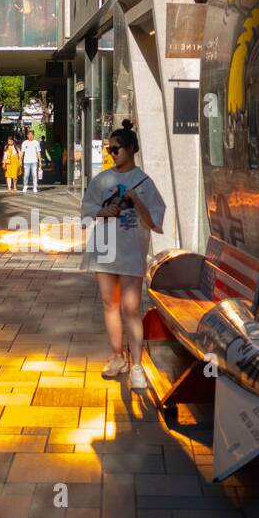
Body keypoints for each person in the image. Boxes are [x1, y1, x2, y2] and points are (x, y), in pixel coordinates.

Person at [79, 127, 166, 391]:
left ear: (130, 150)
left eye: (115, 149)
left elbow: (155, 223)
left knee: (131, 308)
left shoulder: (144, 182)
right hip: (104, 248)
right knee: (109, 304)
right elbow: (86, 210)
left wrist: (136, 201)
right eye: (109, 149)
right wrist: (102, 211)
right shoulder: (102, 180)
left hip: (130, 251)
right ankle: (117, 357)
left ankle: (137, 364)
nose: (111, 154)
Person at [20, 128, 46, 192]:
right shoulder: (24, 143)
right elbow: (22, 152)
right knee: (26, 174)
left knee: (34, 175)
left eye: (32, 135)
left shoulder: (36, 142)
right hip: (26, 161)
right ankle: (25, 186)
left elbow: (38, 152)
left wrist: (40, 161)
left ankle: (35, 187)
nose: (31, 136)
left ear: (33, 135)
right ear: (27, 135)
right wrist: (20, 160)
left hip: (34, 161)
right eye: (29, 135)